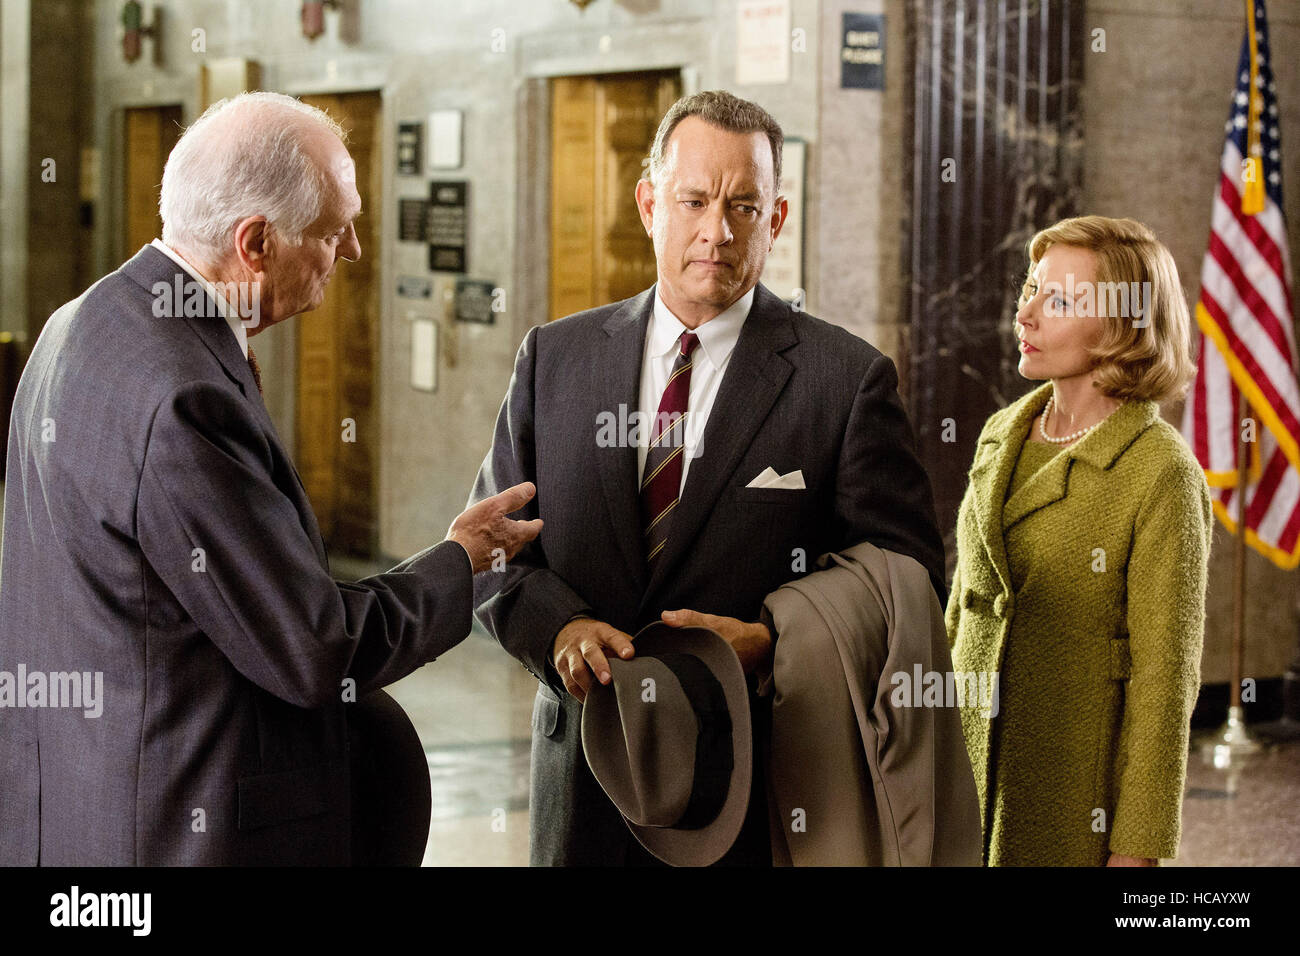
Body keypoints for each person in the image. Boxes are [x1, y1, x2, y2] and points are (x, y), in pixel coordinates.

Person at [0, 92, 540, 866]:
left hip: (80, 804)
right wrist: (464, 559)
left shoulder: (79, 322)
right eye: (331, 229)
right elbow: (312, 648)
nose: (351, 249)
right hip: (176, 824)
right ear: (255, 243)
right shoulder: (183, 396)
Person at [469, 90, 946, 865]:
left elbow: (907, 582)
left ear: (777, 220)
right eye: (694, 200)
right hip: (583, 789)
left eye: (745, 207)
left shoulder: (845, 381)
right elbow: (492, 553)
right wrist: (559, 627)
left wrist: (775, 642)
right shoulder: (553, 359)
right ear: (649, 203)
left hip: (752, 790)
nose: (716, 232)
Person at [946, 215, 1212, 866]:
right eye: (1031, 289)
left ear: (1122, 326)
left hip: (1069, 805)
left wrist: (1137, 853)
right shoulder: (1003, 430)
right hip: (960, 781)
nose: (1026, 313)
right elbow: (960, 612)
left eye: (1058, 300)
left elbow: (1165, 686)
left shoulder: (1161, 474)